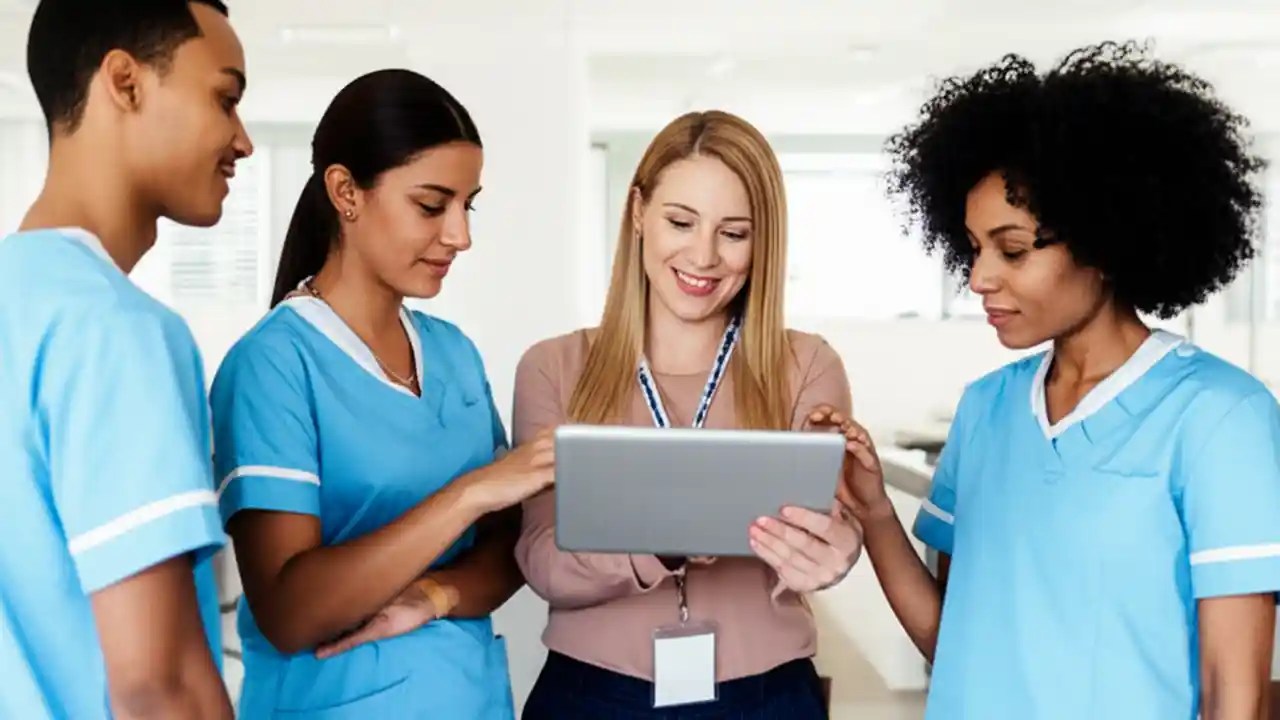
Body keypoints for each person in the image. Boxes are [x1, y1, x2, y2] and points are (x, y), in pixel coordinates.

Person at [815, 40, 1280, 720]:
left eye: (1013, 249)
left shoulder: (1221, 418)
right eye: (973, 249)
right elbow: (957, 644)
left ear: (1106, 241)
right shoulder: (986, 408)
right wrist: (876, 511)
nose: (978, 278)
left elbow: (1232, 694)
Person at [210, 68, 550, 719]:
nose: (460, 235)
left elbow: (509, 544)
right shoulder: (272, 365)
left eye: (467, 204)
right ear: (346, 192)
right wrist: (468, 495)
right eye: (432, 205)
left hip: (471, 698)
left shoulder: (452, 353)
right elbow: (289, 610)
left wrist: (438, 595)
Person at [510, 110, 863, 719]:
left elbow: (833, 524)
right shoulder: (553, 367)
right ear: (638, 212)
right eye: (680, 221)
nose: (703, 257)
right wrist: (665, 542)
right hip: (592, 696)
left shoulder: (806, 364)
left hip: (766, 696)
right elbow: (542, 559)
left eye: (734, 232)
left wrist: (837, 551)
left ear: (764, 241)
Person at [0, 1, 251, 718]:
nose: (243, 140)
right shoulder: (116, 330)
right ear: (125, 81)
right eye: (225, 99)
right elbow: (157, 685)